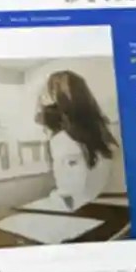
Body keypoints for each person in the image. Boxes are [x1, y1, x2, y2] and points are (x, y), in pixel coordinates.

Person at [34, 70, 118, 211]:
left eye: (46, 94)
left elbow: (69, 193)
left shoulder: (63, 140)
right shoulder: (104, 134)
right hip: (102, 208)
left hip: (76, 212)